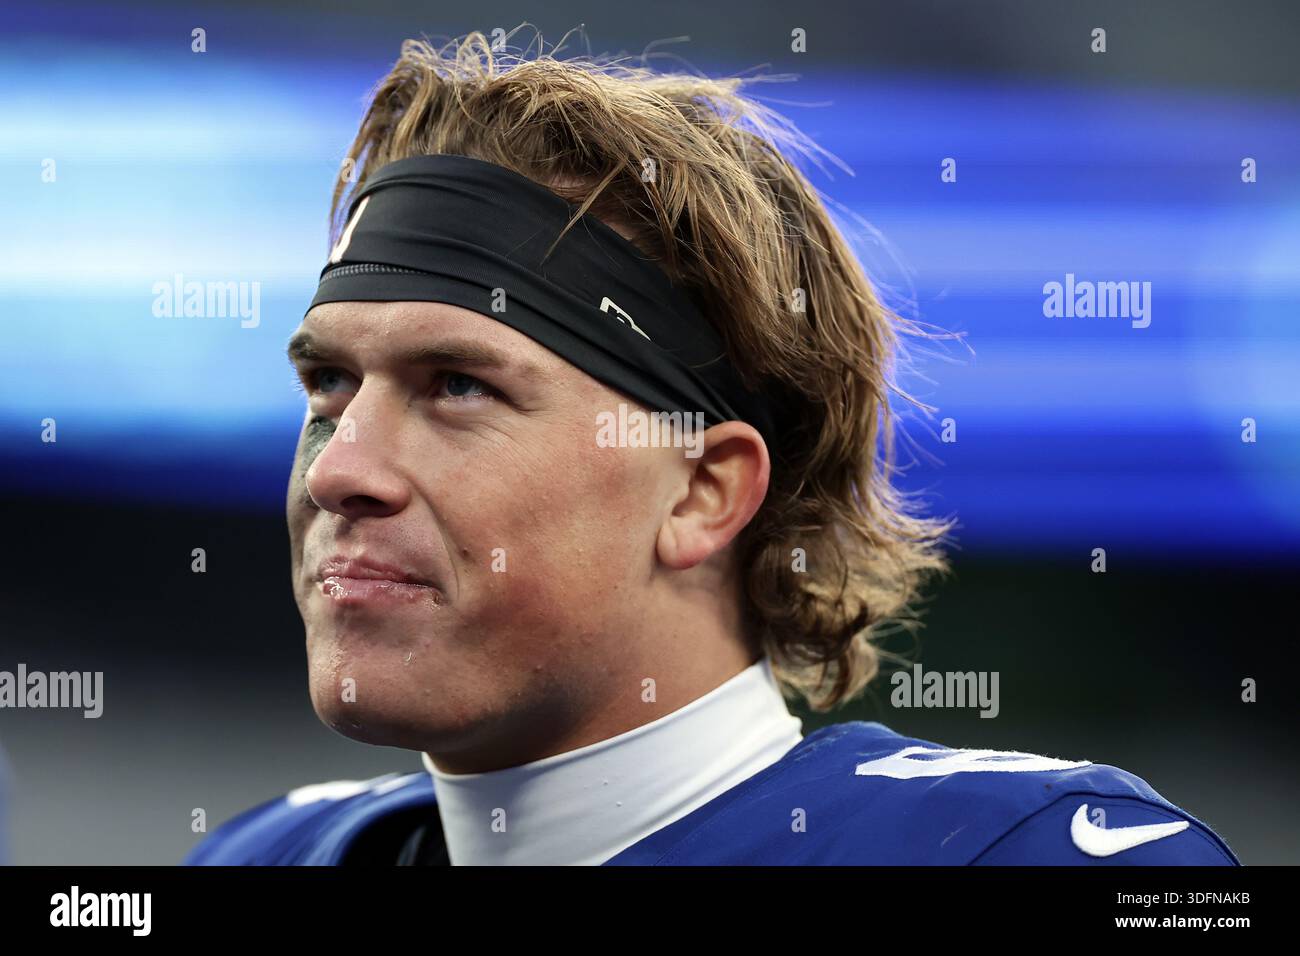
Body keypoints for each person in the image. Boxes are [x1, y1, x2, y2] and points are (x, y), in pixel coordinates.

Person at [185, 32, 1238, 866]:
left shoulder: (1024, 853)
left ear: (702, 489)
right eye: (328, 384)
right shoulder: (260, 850)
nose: (337, 468)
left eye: (457, 386)